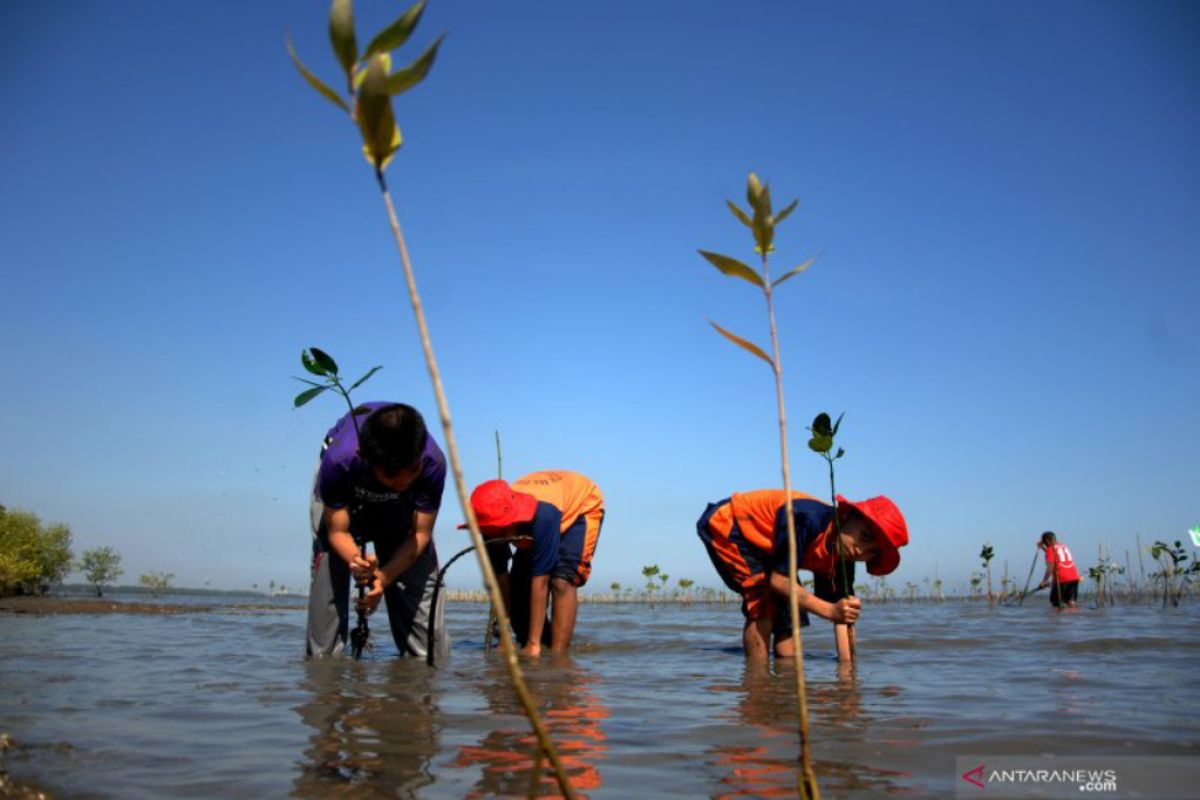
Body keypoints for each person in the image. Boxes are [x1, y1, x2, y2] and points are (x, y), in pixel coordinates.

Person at [306, 402, 449, 659]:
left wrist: (383, 576)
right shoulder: (339, 461)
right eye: (394, 476)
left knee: (428, 646)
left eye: (411, 471)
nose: (404, 481)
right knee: (328, 578)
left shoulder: (432, 463)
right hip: (346, 498)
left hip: (403, 519)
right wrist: (357, 562)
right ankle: (326, 683)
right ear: (365, 456)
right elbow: (337, 532)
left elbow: (420, 535)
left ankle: (421, 683)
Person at [696, 489, 908, 659]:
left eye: (872, 551)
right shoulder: (806, 518)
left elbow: (843, 618)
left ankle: (784, 687)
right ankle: (758, 688)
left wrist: (848, 676)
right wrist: (830, 610)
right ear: (847, 516)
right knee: (764, 599)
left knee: (792, 611)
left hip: (771, 546)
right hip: (731, 523)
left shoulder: (844, 557)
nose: (861, 550)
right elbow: (780, 582)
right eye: (864, 536)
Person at [464, 471, 605, 656]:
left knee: (561, 581)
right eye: (491, 533)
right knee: (519, 586)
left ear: (512, 520)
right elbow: (501, 581)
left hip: (580, 506)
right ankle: (542, 643)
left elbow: (541, 580)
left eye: (500, 531)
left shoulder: (543, 516)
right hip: (533, 518)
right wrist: (504, 636)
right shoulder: (487, 526)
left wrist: (533, 643)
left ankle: (558, 657)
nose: (495, 537)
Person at [1037, 531, 1080, 608]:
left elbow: (1050, 567)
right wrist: (1043, 547)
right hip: (1074, 577)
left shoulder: (1050, 549)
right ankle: (1074, 618)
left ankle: (1058, 619)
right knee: (1071, 602)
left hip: (1061, 579)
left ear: (1047, 540)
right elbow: (1055, 556)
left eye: (1044, 542)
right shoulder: (1063, 546)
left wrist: (1044, 581)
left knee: (1055, 603)